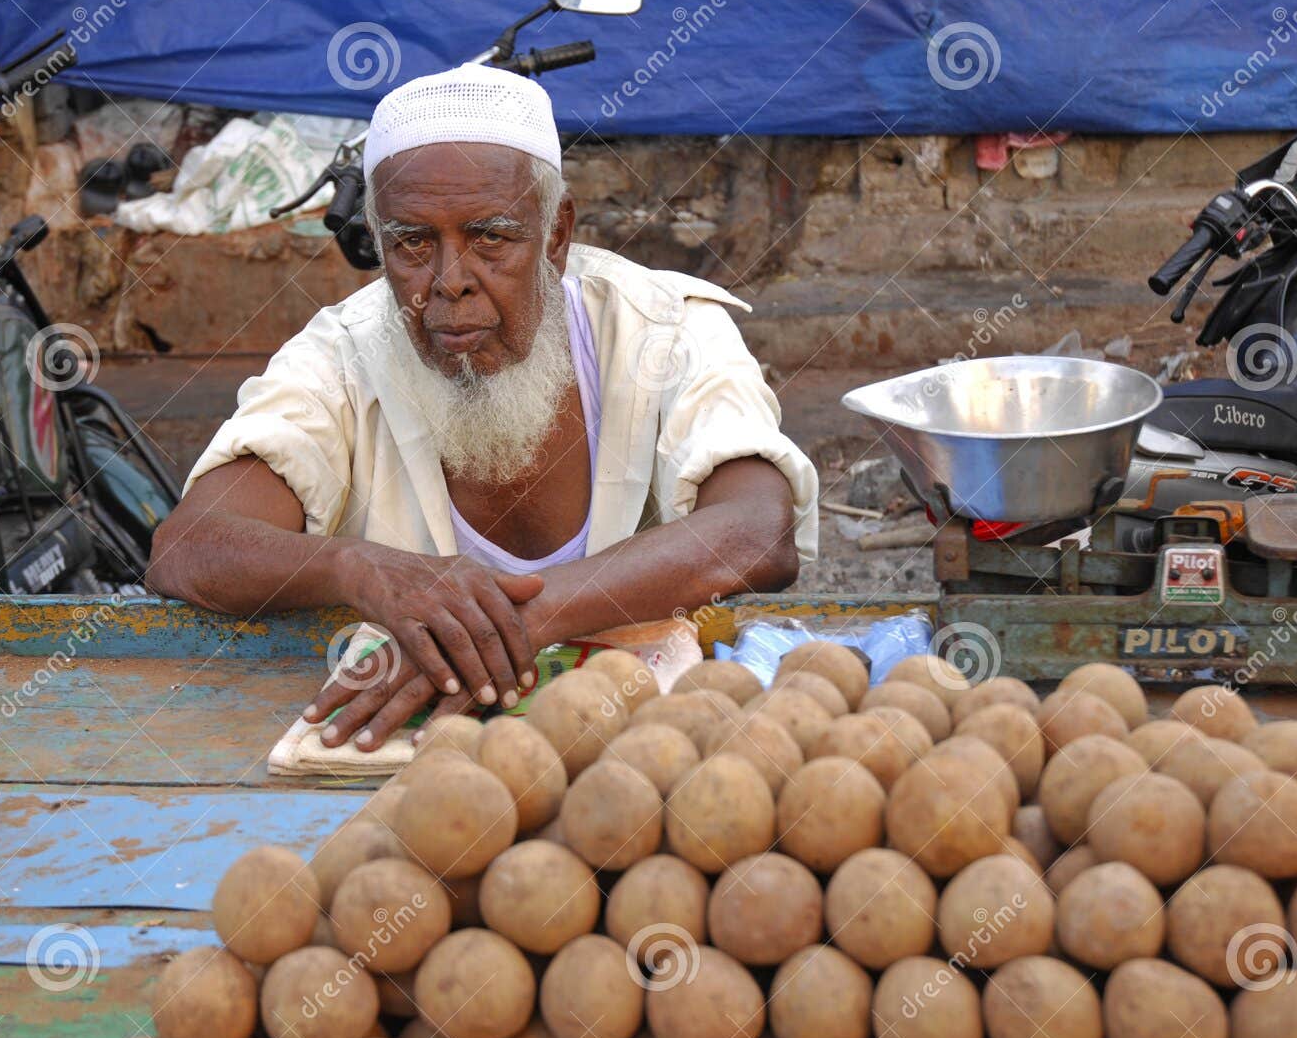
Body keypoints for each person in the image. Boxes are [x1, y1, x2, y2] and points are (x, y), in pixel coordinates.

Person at [148, 64, 818, 749]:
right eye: (411, 243)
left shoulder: (665, 330)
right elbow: (189, 546)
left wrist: (518, 621)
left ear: (557, 235)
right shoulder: (339, 357)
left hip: (641, 760)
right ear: (378, 244)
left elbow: (757, 528)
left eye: (490, 238)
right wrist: (359, 569)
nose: (450, 282)